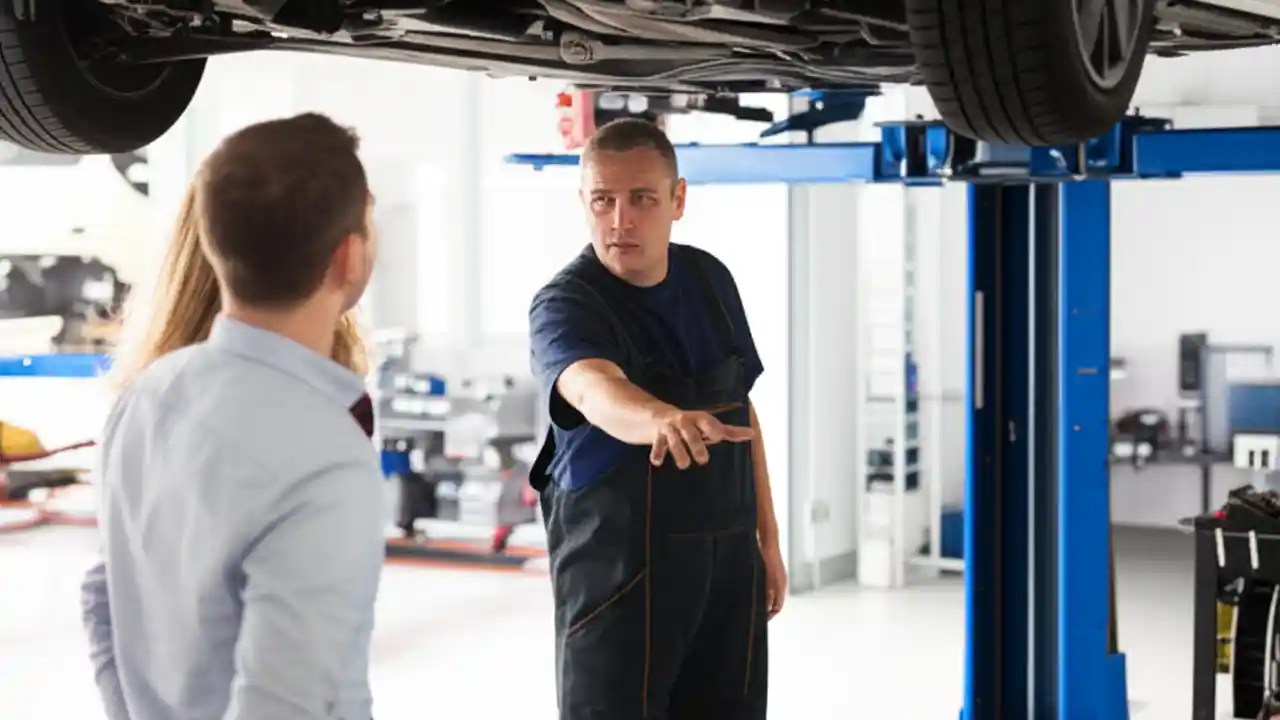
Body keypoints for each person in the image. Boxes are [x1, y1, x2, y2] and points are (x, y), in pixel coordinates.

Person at [79, 112, 383, 720]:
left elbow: (101, 600)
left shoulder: (148, 396)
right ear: (347, 258)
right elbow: (284, 703)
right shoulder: (324, 456)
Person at [528, 118, 786, 719]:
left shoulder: (710, 281)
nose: (620, 220)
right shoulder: (566, 303)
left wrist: (767, 544)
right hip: (619, 586)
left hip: (726, 579)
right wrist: (662, 420)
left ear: (677, 201)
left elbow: (740, 410)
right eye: (603, 200)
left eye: (641, 199)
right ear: (584, 203)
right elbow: (594, 389)